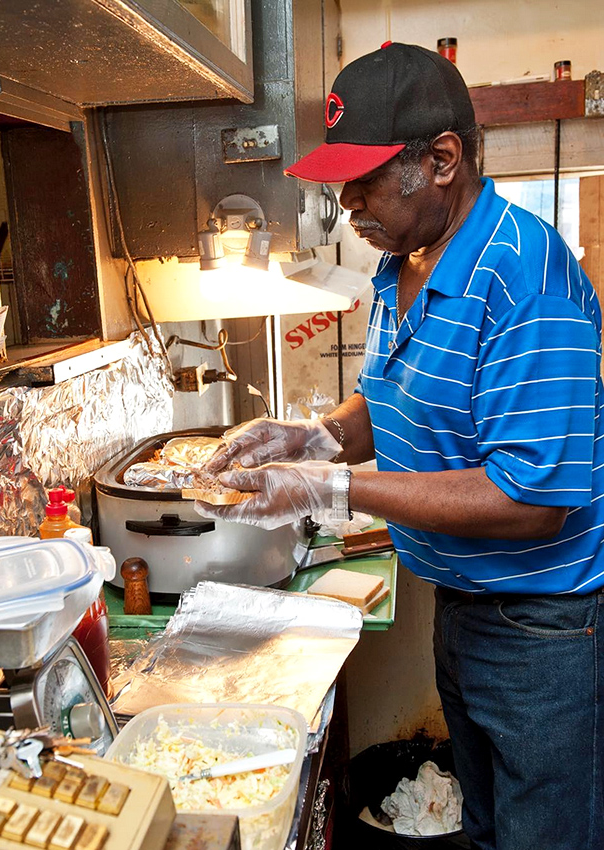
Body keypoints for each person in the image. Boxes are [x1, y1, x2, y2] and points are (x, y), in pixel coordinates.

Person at [194, 41, 603, 850]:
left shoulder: (527, 278)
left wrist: (335, 491)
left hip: (546, 633)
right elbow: (395, 399)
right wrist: (319, 436)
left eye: (366, 176)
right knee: (488, 830)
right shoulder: (403, 263)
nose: (348, 200)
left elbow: (532, 502)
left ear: (442, 159)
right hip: (465, 611)